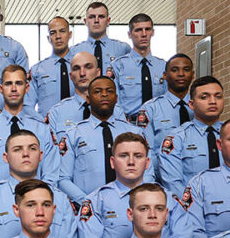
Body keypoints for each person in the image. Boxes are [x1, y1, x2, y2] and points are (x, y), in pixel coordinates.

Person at [78, 133, 192, 238]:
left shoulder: (168, 200)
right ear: (112, 163)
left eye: (138, 156)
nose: (131, 162)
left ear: (147, 163)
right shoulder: (95, 201)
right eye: (124, 155)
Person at [0, 130, 75, 238]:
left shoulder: (61, 200)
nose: (26, 154)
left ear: (40, 155)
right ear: (6, 157)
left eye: (32, 148)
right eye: (17, 150)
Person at [56, 76, 156, 205]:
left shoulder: (135, 133)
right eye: (97, 91)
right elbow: (63, 179)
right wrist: (88, 203)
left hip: (132, 206)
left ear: (116, 98)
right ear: (88, 99)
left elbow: (148, 174)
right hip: (87, 209)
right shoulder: (73, 134)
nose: (104, 94)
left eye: (109, 91)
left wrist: (135, 199)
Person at [160, 76, 230, 198]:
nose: (213, 101)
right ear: (191, 104)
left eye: (218, 96)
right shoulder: (176, 139)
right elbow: (173, 184)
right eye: (204, 97)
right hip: (193, 209)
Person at [0, 65, 57, 195]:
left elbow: (51, 177)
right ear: (1, 89)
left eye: (19, 83)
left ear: (26, 88)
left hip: (36, 207)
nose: (14, 89)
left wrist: (35, 199)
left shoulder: (42, 129)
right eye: (9, 84)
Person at [44, 52, 127, 136]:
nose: (82, 73)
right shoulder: (55, 113)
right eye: (76, 68)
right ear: (71, 76)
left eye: (88, 67)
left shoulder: (117, 112)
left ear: (98, 72)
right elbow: (50, 147)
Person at [112, 14, 166, 118]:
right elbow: (113, 102)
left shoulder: (163, 66)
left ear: (153, 32)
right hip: (129, 125)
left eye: (148, 29)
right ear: (129, 34)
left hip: (157, 126)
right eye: (138, 30)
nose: (144, 34)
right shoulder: (118, 66)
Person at [134, 54, 194, 146]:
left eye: (186, 70)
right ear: (165, 75)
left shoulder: (200, 107)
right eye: (175, 70)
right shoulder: (150, 109)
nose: (181, 74)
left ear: (193, 75)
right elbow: (146, 150)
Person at [29, 16, 75, 115]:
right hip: (47, 128)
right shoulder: (37, 70)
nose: (58, 36)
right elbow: (28, 105)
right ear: (48, 38)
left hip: (78, 126)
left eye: (62, 31)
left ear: (70, 34)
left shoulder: (81, 67)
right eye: (53, 33)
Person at [67, 2, 131, 72]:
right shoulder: (73, 52)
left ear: (108, 21)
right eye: (92, 17)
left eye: (101, 17)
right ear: (85, 21)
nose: (96, 21)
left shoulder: (123, 49)